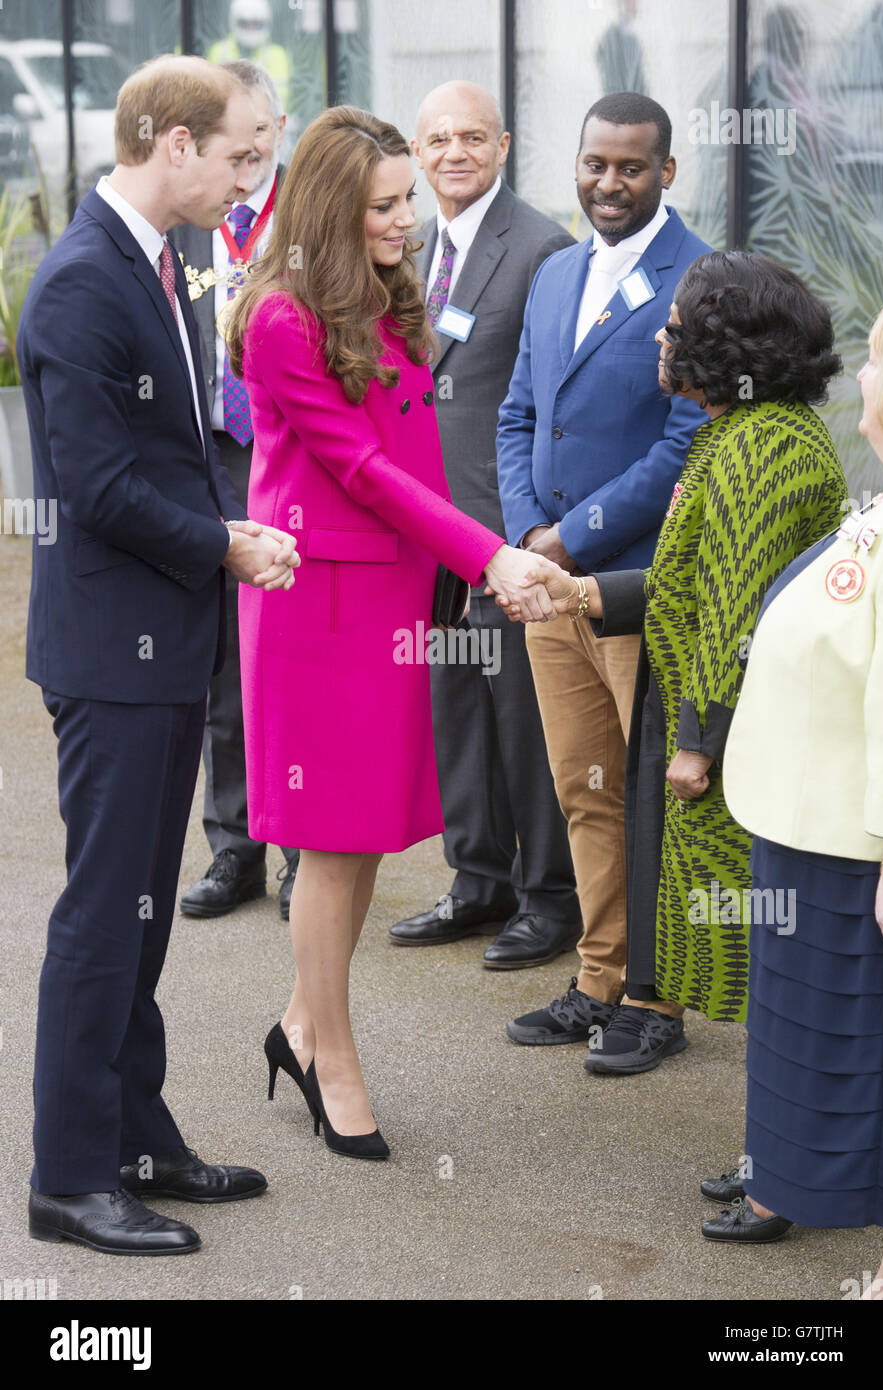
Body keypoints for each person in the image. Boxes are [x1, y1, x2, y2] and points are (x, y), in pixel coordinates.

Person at [224, 105, 564, 1160]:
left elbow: (410, 461)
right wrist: (487, 555)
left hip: (391, 597)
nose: (407, 219)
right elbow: (360, 471)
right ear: (331, 208)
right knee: (329, 845)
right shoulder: (281, 317)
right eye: (383, 204)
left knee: (365, 833)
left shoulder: (380, 300)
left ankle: (295, 1022)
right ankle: (333, 1056)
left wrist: (465, 561)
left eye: (405, 199)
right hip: (315, 608)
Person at [19, 56, 299, 1255]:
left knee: (138, 915)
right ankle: (71, 1174)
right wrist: (224, 546)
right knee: (103, 914)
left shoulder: (163, 258)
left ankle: (137, 1138)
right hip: (114, 646)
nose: (255, 174)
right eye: (242, 152)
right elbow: (97, 488)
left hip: (159, 638)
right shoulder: (83, 281)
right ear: (171, 142)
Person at [498, 252, 848, 1079]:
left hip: (734, 736)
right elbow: (690, 578)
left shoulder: (758, 449)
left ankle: (774, 1151)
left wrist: (696, 744)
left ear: (727, 348)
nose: (661, 333)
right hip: (716, 716)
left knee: (757, 949)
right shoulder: (739, 431)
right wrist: (578, 593)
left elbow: (732, 616)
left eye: (679, 327)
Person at [496, 92, 710, 1056]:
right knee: (583, 786)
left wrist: (570, 538)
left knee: (646, 794)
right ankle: (600, 977)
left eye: (629, 167)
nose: (607, 183)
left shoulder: (698, 279)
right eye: (593, 164)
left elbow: (685, 442)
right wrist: (523, 534)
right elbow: (515, 415)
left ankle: (655, 1003)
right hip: (546, 583)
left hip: (634, 586)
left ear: (666, 172)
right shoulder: (554, 275)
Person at [706, 300, 883, 1288]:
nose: (858, 381)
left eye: (873, 361)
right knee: (802, 1035)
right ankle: (784, 1177)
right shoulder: (881, 496)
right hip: (805, 826)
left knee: (857, 1048)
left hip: (855, 844)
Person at [389, 80, 581, 968]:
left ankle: (548, 897)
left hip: (499, 530)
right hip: (422, 528)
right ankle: (476, 881)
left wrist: (527, 531)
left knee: (523, 717)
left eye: (472, 136)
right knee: (453, 708)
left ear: (502, 146)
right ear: (418, 154)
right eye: (437, 140)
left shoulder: (540, 248)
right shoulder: (412, 247)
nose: (454, 153)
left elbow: (544, 402)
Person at [171, 61, 299, 922]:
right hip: (213, 454)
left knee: (291, 660)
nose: (248, 150)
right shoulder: (185, 227)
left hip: (293, 460)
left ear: (279, 128)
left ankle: (303, 850)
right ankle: (234, 847)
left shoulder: (312, 216)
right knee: (223, 661)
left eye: (260, 130)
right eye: (233, 132)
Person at [207, 0, 290, 116]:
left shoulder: (277, 55)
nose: (251, 29)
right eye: (245, 23)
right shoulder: (219, 51)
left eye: (256, 24)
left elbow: (281, 99)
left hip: (265, 117)